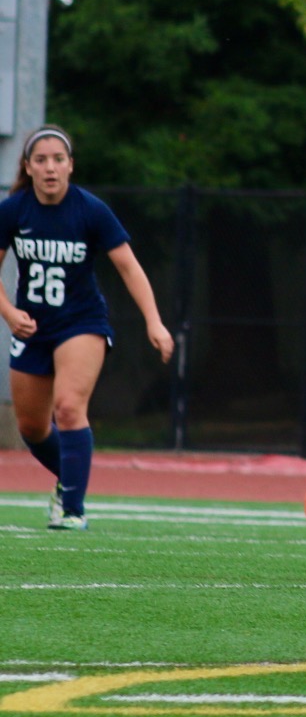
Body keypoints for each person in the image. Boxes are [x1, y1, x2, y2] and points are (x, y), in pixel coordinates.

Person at [0, 126, 174, 530]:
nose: (50, 168)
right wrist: (8, 313)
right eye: (40, 160)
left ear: (71, 166)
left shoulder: (91, 210)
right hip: (32, 327)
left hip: (82, 323)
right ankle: (70, 481)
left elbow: (129, 267)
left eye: (58, 160)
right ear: (28, 166)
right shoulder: (13, 210)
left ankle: (73, 509)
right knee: (32, 427)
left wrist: (155, 322)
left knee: (69, 408)